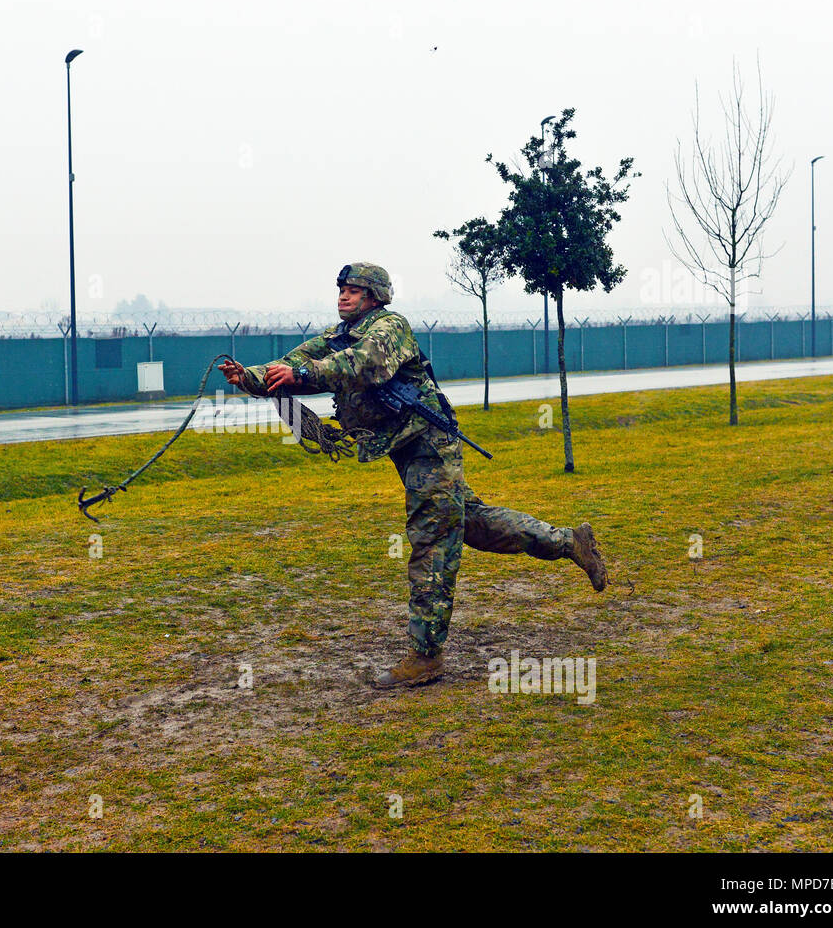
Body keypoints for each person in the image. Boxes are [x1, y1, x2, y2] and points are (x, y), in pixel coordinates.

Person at [218, 262, 608, 689]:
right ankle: (570, 541)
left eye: (354, 290)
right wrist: (249, 377)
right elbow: (294, 364)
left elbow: (365, 365)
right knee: (472, 524)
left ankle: (426, 655)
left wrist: (304, 373)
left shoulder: (390, 329)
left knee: (432, 539)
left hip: (429, 441)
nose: (344, 296)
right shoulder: (336, 339)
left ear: (374, 297)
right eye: (342, 289)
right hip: (405, 448)